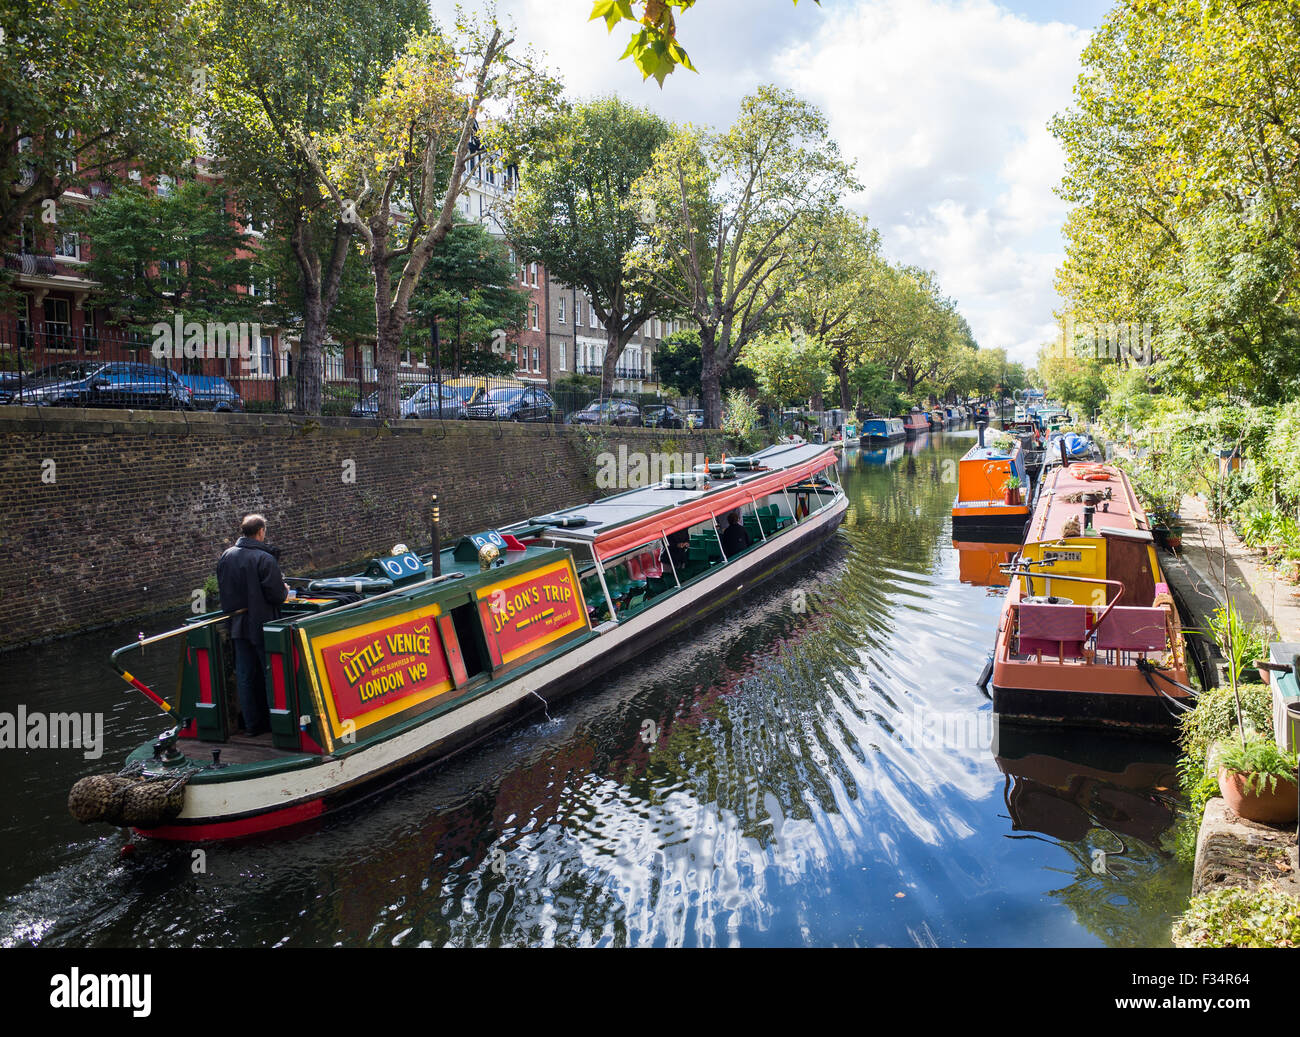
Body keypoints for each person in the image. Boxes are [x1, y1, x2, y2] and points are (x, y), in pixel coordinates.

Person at [216, 513, 289, 737]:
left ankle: (252, 725)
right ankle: (277, 724)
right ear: (260, 532)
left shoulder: (226, 556)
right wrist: (285, 590)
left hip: (237, 625)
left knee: (245, 675)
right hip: (262, 624)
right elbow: (276, 596)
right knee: (271, 672)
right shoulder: (264, 559)